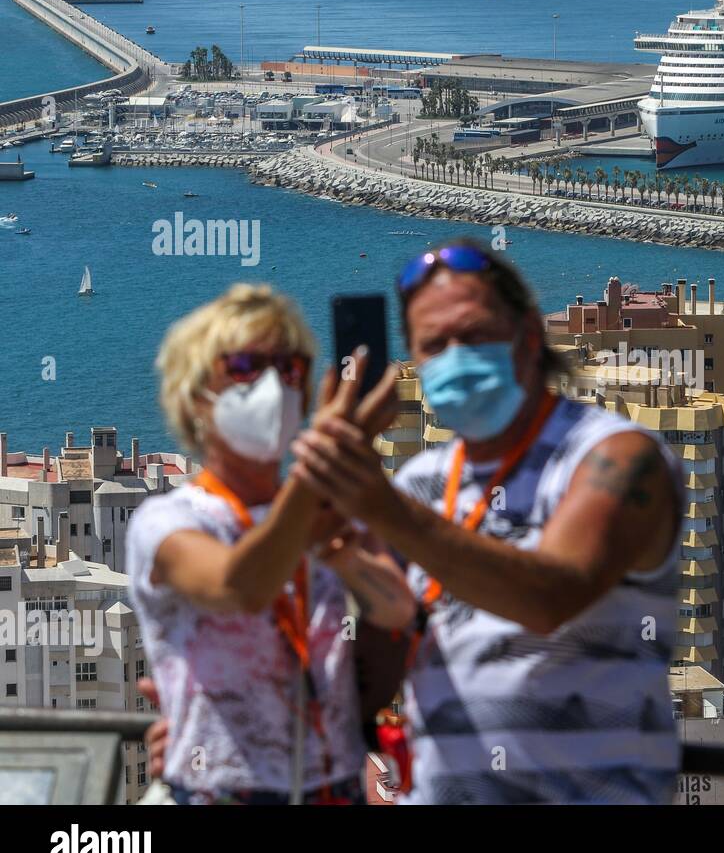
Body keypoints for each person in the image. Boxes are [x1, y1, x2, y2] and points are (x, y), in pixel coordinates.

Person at [292, 239, 685, 803]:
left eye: (473, 336)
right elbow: (368, 685)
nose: (454, 356)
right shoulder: (417, 485)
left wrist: (381, 507)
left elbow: (552, 595)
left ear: (528, 337)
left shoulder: (616, 458)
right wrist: (326, 543)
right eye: (434, 346)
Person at [126, 284, 411, 804]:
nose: (273, 385)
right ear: (194, 397)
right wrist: (318, 467)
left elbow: (378, 663)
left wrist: (357, 566)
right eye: (243, 366)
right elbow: (239, 586)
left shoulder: (328, 519)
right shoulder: (166, 522)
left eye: (290, 367)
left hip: (334, 789)